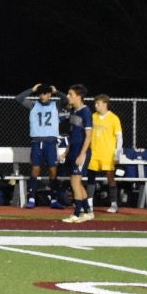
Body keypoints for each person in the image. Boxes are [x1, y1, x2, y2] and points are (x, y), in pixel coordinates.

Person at [19, 84, 63, 207]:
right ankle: (31, 198)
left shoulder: (55, 105)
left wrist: (57, 91)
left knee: (53, 170)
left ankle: (54, 199)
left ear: (49, 94)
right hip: (37, 141)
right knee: (35, 169)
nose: (42, 96)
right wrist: (32, 89)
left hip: (51, 142)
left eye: (45, 94)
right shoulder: (33, 105)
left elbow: (66, 100)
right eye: (40, 94)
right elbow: (19, 98)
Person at [59, 85, 95, 223]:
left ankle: (76, 214)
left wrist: (82, 154)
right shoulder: (74, 111)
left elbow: (88, 136)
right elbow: (73, 135)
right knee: (77, 183)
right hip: (73, 150)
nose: (68, 97)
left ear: (79, 96)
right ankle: (88, 212)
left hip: (81, 151)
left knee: (75, 181)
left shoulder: (86, 113)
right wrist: (66, 152)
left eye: (70, 94)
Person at [85, 93, 124, 214]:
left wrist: (117, 152)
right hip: (94, 153)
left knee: (110, 178)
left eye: (98, 103)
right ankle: (89, 204)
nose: (96, 105)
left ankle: (114, 204)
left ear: (105, 104)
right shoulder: (93, 117)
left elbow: (119, 137)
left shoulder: (113, 118)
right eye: (95, 103)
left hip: (108, 153)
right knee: (91, 177)